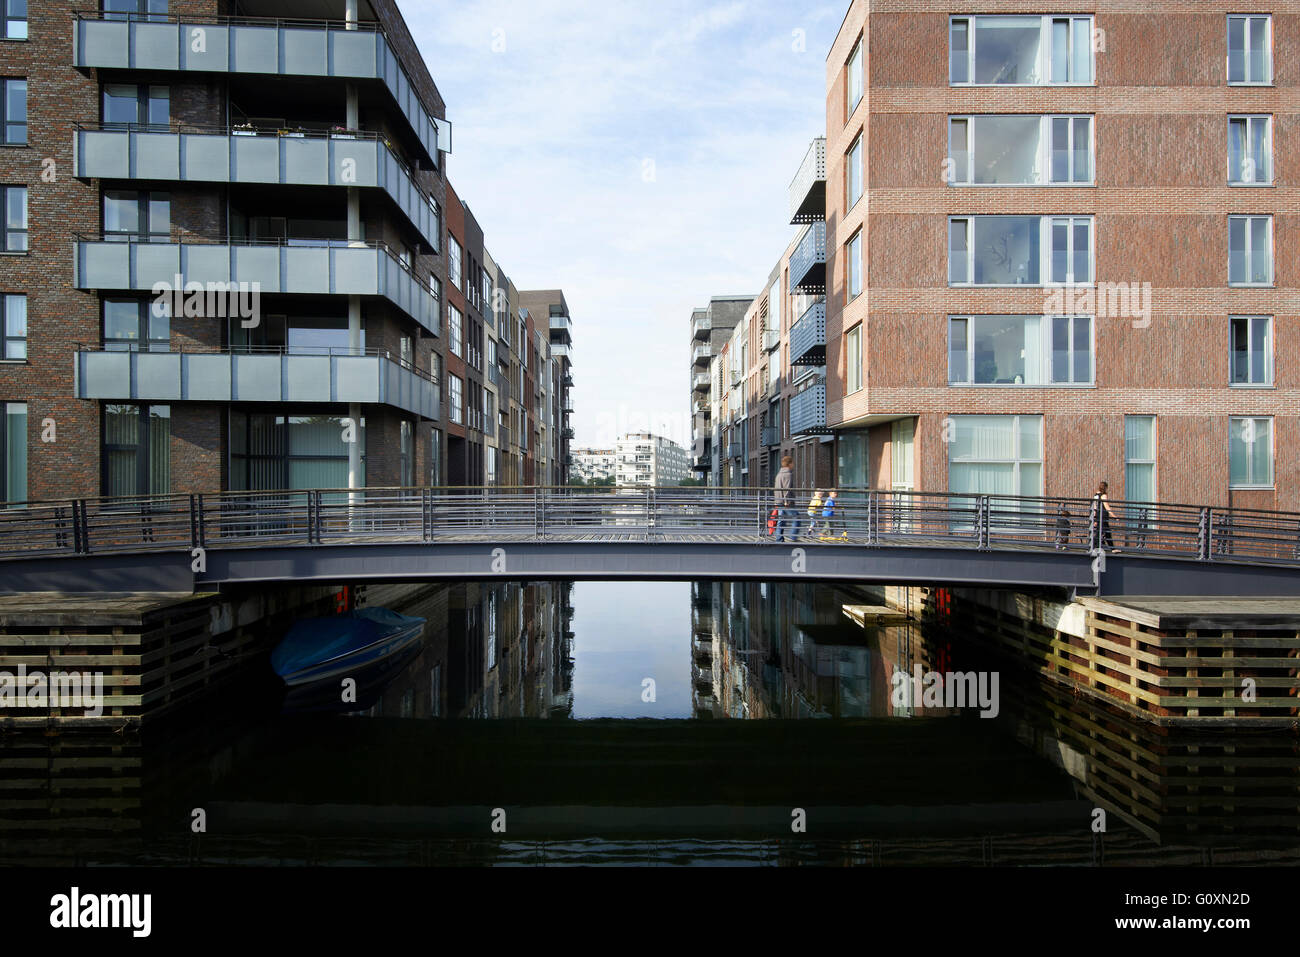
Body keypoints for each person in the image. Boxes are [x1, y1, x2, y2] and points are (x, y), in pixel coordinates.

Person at [773, 456, 795, 542]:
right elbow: (787, 489)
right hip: (785, 502)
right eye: (792, 463)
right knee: (796, 517)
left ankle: (779, 538)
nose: (793, 465)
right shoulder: (788, 474)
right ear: (789, 464)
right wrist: (787, 501)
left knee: (781, 520)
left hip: (779, 500)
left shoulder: (779, 474)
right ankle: (793, 537)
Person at [1093, 481, 1116, 552]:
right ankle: (1112, 548)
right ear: (1105, 487)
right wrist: (1114, 516)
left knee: (1101, 532)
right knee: (1105, 532)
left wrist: (1095, 518)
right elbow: (1107, 507)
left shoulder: (1096, 495)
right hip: (1103, 516)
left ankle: (1094, 546)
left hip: (1098, 516)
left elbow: (1095, 508)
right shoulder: (1103, 495)